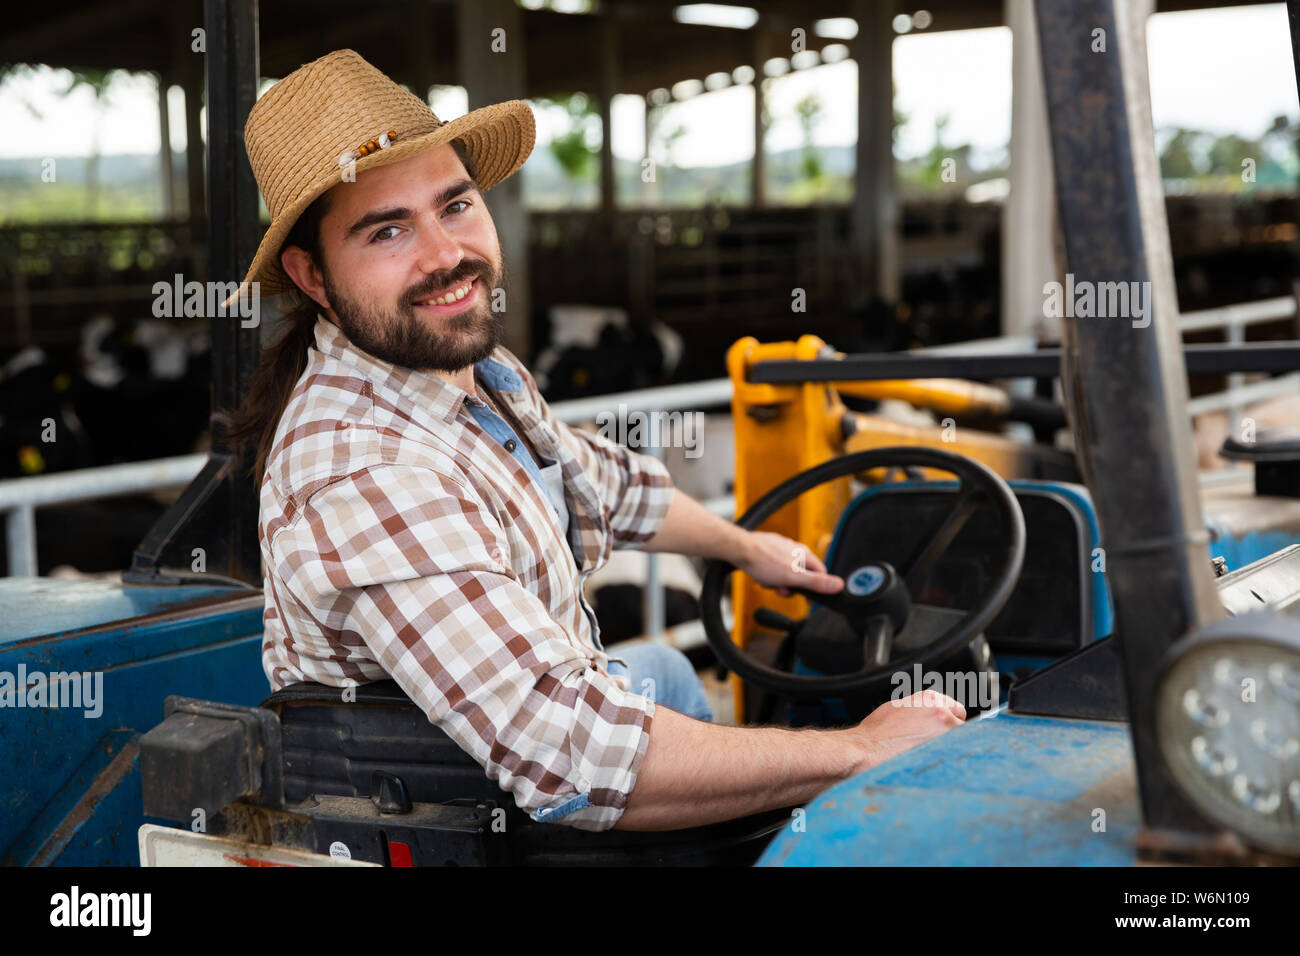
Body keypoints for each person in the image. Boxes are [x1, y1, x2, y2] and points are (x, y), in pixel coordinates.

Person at [221, 49, 965, 834]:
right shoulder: (361, 470)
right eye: (386, 232)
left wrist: (743, 548)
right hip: (469, 820)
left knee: (672, 672)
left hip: (524, 741)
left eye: (456, 206)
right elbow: (573, 754)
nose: (446, 255)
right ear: (311, 277)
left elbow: (596, 479)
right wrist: (859, 749)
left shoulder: (475, 372)